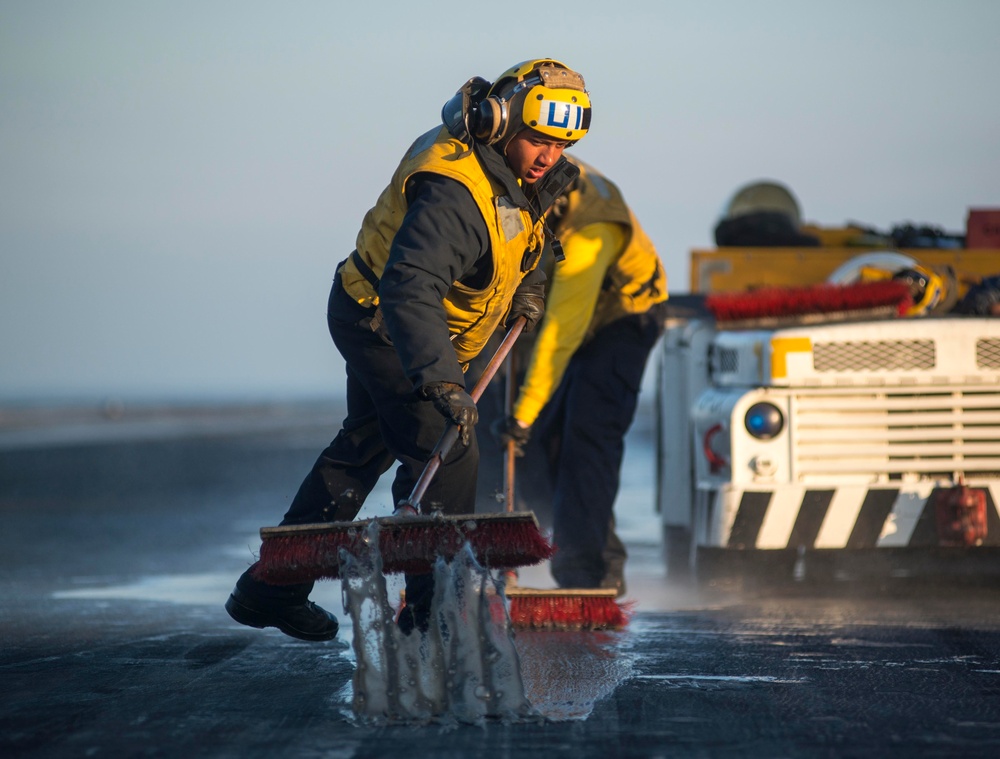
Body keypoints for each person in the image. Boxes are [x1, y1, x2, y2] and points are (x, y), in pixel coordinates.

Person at [224, 59, 592, 641]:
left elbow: (528, 230)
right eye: (538, 137)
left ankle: (271, 588)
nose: (550, 154)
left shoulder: (522, 176)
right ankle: (433, 616)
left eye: (562, 141)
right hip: (385, 320)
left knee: (365, 446)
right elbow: (410, 285)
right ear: (499, 122)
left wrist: (532, 284)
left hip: (409, 323)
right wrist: (442, 383)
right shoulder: (455, 192)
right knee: (446, 452)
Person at [489, 156, 667, 595]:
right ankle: (569, 546)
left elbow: (561, 334)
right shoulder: (524, 171)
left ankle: (587, 575)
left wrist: (524, 415)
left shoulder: (588, 227)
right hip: (560, 311)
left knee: (586, 434)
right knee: (539, 443)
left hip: (622, 317)